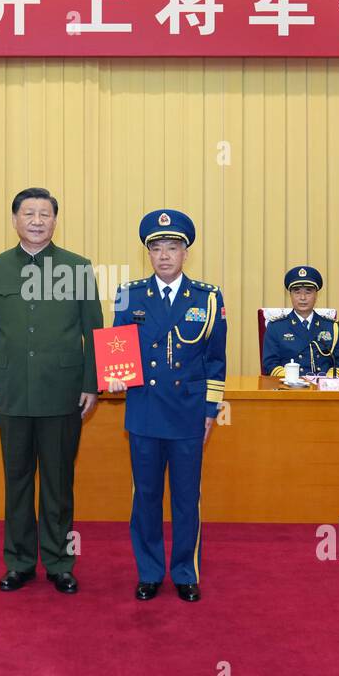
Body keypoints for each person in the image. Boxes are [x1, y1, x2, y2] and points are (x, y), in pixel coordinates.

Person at [0, 187, 102, 595]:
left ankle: (60, 562)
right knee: (17, 481)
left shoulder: (77, 268)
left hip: (63, 391)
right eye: (28, 213)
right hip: (11, 390)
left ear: (54, 221)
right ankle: (19, 562)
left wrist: (91, 385)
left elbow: (94, 331)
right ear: (14, 220)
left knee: (58, 483)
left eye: (44, 214)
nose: (36, 220)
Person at [107, 209, 226, 602]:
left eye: (172, 247)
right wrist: (113, 376)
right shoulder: (130, 293)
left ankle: (185, 571)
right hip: (144, 410)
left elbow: (215, 358)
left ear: (185, 252)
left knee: (186, 497)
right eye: (156, 248)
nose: (163, 255)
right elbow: (118, 346)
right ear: (148, 253)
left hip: (188, 412)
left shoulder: (208, 297)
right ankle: (150, 571)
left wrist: (210, 410)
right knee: (145, 496)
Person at [261, 266, 339, 378]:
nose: (303, 297)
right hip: (289, 388)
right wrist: (290, 378)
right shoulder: (276, 327)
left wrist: (329, 379)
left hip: (323, 389)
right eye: (297, 292)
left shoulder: (331, 327)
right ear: (290, 295)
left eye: (308, 292)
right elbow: (270, 363)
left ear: (316, 295)